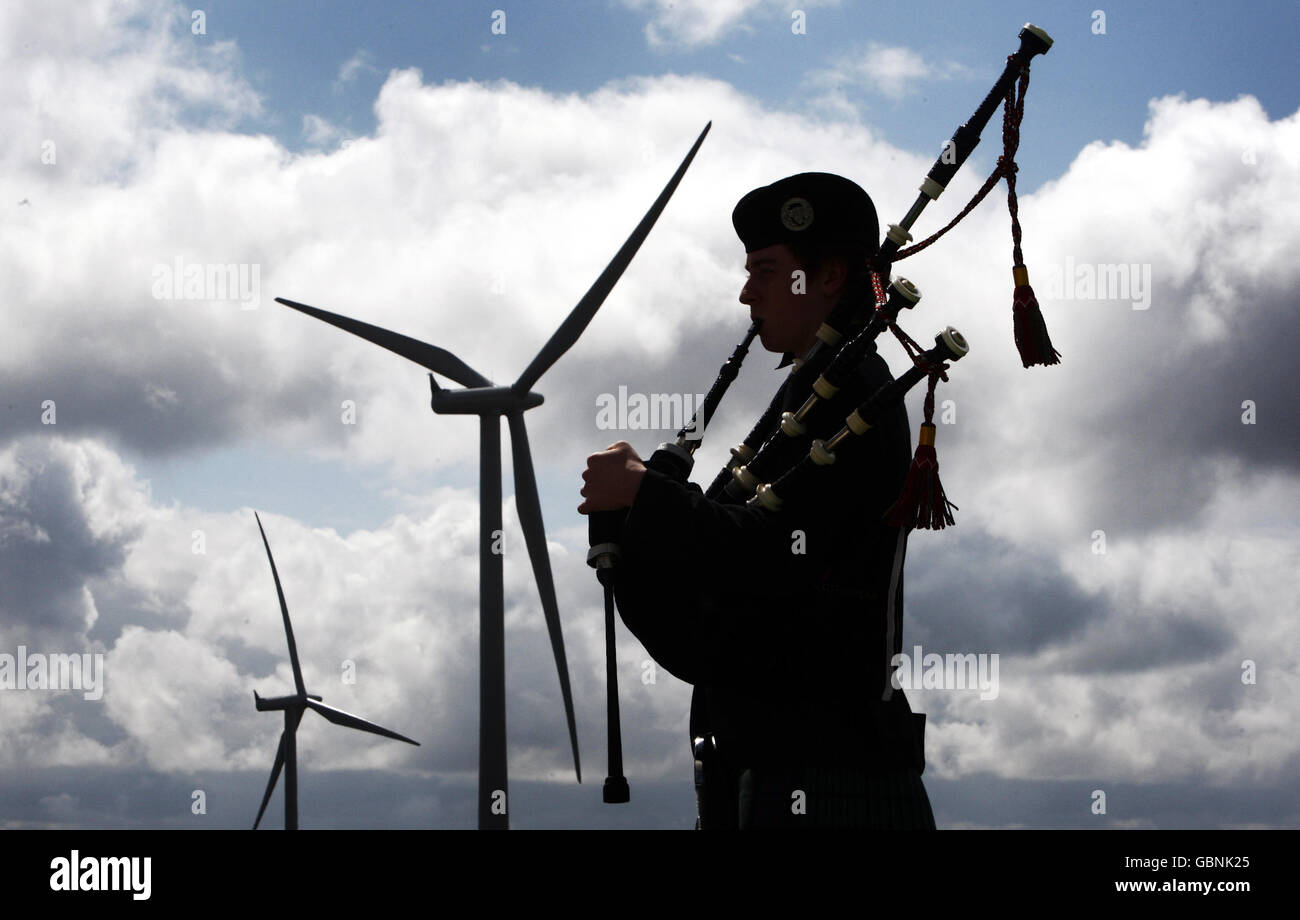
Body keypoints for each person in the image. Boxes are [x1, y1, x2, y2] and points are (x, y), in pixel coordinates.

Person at [579, 173, 936, 829]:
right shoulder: (814, 389)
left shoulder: (854, 387)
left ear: (828, 279)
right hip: (782, 766)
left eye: (767, 271)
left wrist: (646, 497)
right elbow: (729, 574)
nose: (747, 293)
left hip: (831, 781)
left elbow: (775, 553)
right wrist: (637, 521)